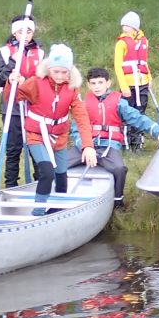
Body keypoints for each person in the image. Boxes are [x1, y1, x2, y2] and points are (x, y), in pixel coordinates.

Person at [14, 44, 98, 215]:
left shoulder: (72, 89)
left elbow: (81, 117)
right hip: (36, 134)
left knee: (61, 175)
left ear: (70, 71)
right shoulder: (36, 83)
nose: (60, 76)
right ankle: (38, 212)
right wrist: (12, 83)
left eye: (64, 72)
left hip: (59, 137)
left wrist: (88, 146)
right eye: (56, 71)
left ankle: (59, 210)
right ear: (49, 68)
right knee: (47, 171)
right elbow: (13, 97)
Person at [69, 68, 159, 208]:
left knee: (119, 169)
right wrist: (85, 146)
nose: (97, 86)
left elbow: (138, 118)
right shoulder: (83, 104)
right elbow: (75, 130)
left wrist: (158, 132)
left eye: (100, 82)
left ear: (108, 83)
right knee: (59, 166)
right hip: (86, 146)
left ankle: (117, 202)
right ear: (88, 85)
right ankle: (57, 197)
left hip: (108, 146)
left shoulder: (119, 102)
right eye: (93, 83)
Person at [0, 13, 43, 188]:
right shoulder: (6, 52)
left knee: (36, 146)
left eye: (29, 30)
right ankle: (11, 185)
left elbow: (46, 77)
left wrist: (29, 82)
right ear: (15, 33)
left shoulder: (41, 51)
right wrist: (11, 69)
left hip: (34, 106)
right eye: (21, 31)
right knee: (13, 148)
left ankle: (40, 184)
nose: (26, 34)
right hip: (12, 106)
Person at [114, 11, 152, 150]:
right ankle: (124, 143)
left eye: (128, 26)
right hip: (129, 84)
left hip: (142, 83)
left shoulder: (144, 41)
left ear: (135, 27)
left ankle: (137, 144)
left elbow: (144, 62)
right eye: (123, 26)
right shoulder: (121, 43)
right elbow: (118, 66)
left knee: (140, 112)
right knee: (126, 112)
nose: (124, 29)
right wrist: (123, 86)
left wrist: (149, 78)